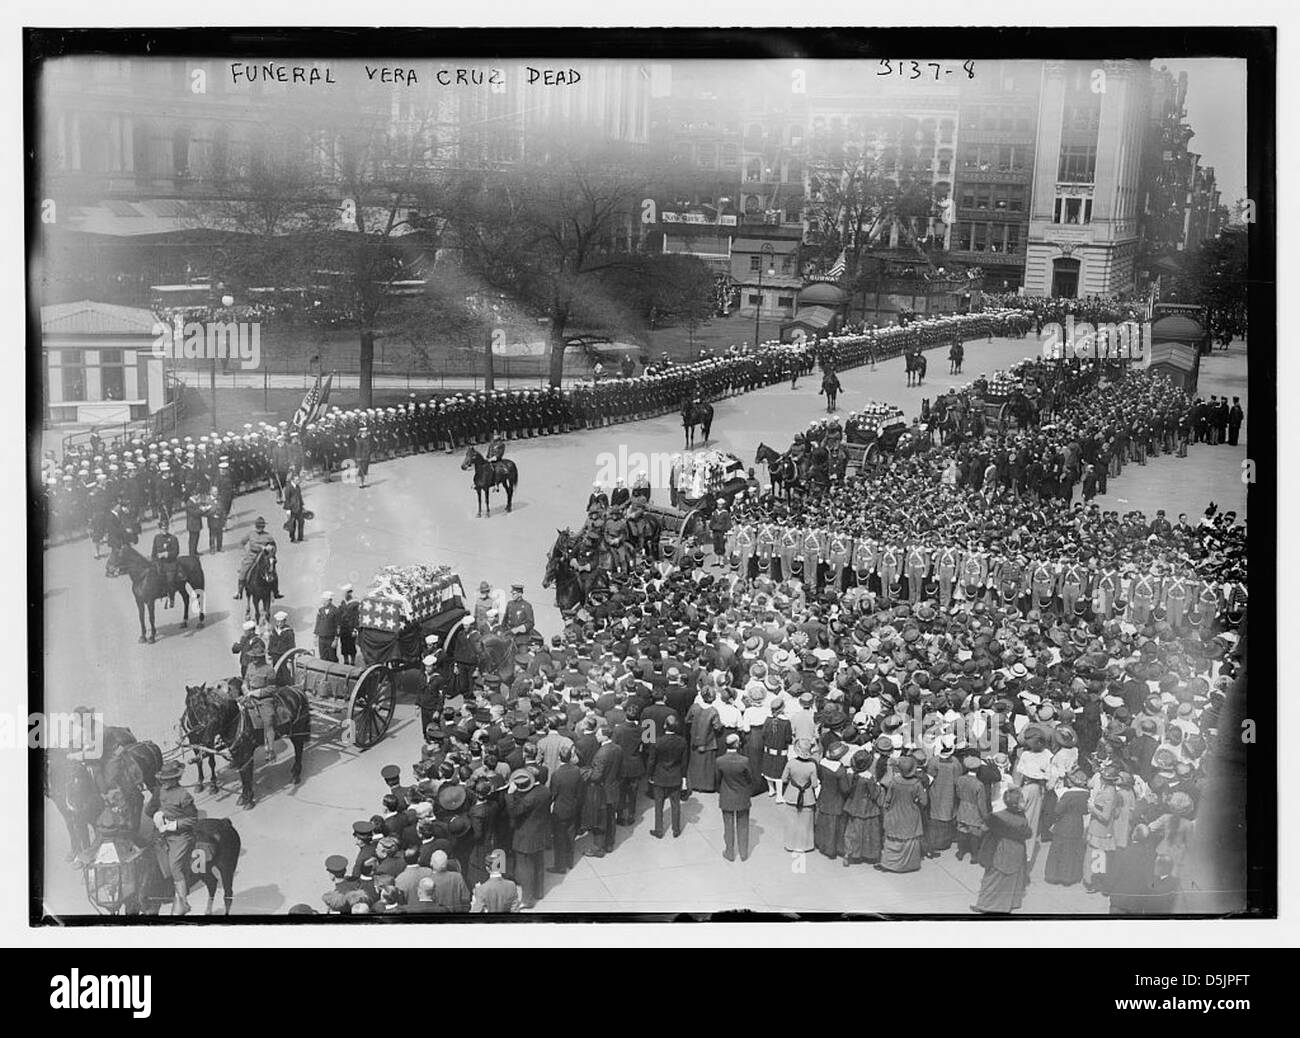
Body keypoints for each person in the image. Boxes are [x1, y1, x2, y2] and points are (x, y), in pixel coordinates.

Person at [146, 761, 198, 915]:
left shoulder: (184, 795)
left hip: (180, 835)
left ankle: (183, 902)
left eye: (168, 779)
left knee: (175, 866)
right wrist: (158, 816)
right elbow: (151, 809)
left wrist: (174, 825)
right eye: (163, 779)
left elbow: (193, 819)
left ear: (176, 779)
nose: (165, 782)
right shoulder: (160, 791)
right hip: (162, 832)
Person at [972, 786, 1033, 913]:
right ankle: (1010, 904)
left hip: (1001, 850)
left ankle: (985, 905)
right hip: (1017, 851)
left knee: (993, 878)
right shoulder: (1022, 818)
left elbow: (983, 829)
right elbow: (1028, 833)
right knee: (1012, 879)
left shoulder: (996, 817)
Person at [505, 768, 551, 909]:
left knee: (525, 868)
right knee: (538, 863)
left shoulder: (528, 799)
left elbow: (514, 812)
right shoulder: (544, 790)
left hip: (525, 837)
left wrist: (510, 795)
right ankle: (538, 892)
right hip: (540, 832)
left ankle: (527, 899)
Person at [877, 754, 928, 873]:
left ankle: (889, 863)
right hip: (911, 814)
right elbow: (924, 802)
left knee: (893, 839)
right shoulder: (917, 783)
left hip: (895, 813)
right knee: (910, 840)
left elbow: (888, 799)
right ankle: (910, 865)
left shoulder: (894, 781)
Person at [1044, 769, 1090, 887]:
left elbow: (1058, 810)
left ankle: (1054, 876)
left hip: (1065, 823)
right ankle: (1069, 877)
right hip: (1077, 822)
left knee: (1059, 849)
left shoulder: (1068, 794)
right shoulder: (1086, 793)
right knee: (1072, 850)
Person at [646, 715, 688, 838]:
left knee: (659, 805)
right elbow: (684, 762)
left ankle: (659, 829)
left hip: (659, 776)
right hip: (675, 776)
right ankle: (676, 829)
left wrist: (650, 775)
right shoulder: (682, 741)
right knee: (675, 804)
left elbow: (651, 761)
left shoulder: (657, 742)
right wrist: (683, 777)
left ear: (665, 726)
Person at [714, 733, 753, 862]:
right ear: (737, 744)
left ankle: (729, 852)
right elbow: (749, 779)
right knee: (743, 825)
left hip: (726, 796)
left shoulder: (720, 761)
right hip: (742, 796)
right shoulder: (744, 761)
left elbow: (717, 779)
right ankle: (743, 853)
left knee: (728, 825)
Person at [813, 741, 852, 860]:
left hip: (824, 795)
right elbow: (845, 789)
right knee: (834, 825)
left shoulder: (822, 763)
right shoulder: (840, 770)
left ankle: (820, 843)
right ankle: (831, 849)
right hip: (836, 799)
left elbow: (820, 776)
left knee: (823, 822)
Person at [548, 746, 583, 874]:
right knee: (570, 836)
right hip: (572, 807)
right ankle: (569, 861)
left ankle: (560, 866)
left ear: (559, 758)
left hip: (560, 810)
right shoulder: (577, 771)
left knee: (559, 838)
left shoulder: (556, 774)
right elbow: (579, 792)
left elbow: (553, 793)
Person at [781, 739, 818, 853]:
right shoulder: (812, 765)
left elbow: (784, 778)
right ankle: (804, 845)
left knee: (791, 821)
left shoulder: (791, 763)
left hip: (792, 794)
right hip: (807, 795)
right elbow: (814, 784)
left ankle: (791, 844)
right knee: (805, 822)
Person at [234, 516, 282, 601]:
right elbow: (241, 543)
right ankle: (239, 592)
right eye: (258, 526)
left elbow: (274, 546)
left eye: (261, 527)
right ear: (255, 526)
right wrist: (243, 554)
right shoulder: (250, 534)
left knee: (273, 572)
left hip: (264, 557)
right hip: (252, 556)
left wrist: (271, 551)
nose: (259, 528)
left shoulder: (268, 536)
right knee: (243, 571)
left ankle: (276, 592)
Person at [150, 516, 181, 608]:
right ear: (159, 529)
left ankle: (171, 597)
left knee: (170, 580)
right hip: (159, 564)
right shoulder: (156, 538)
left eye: (166, 528)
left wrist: (166, 554)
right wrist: (154, 559)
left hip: (170, 564)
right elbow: (153, 552)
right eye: (163, 529)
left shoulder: (173, 538)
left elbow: (176, 552)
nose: (165, 530)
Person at [315, 591, 339, 662]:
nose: (323, 602)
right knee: (322, 657)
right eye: (323, 600)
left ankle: (334, 672)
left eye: (325, 601)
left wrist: (336, 640)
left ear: (330, 601)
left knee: (332, 657)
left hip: (331, 638)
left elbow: (338, 626)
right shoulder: (320, 610)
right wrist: (316, 636)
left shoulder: (336, 610)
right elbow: (318, 623)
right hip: (321, 638)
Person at [284, 472, 307, 542]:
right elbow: (287, 499)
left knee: (301, 521)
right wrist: (288, 510)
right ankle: (292, 538)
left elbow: (300, 497)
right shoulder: (288, 488)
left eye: (298, 479)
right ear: (292, 480)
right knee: (292, 524)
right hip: (291, 509)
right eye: (297, 480)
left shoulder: (298, 487)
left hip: (299, 508)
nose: (298, 481)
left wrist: (302, 506)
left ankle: (300, 537)